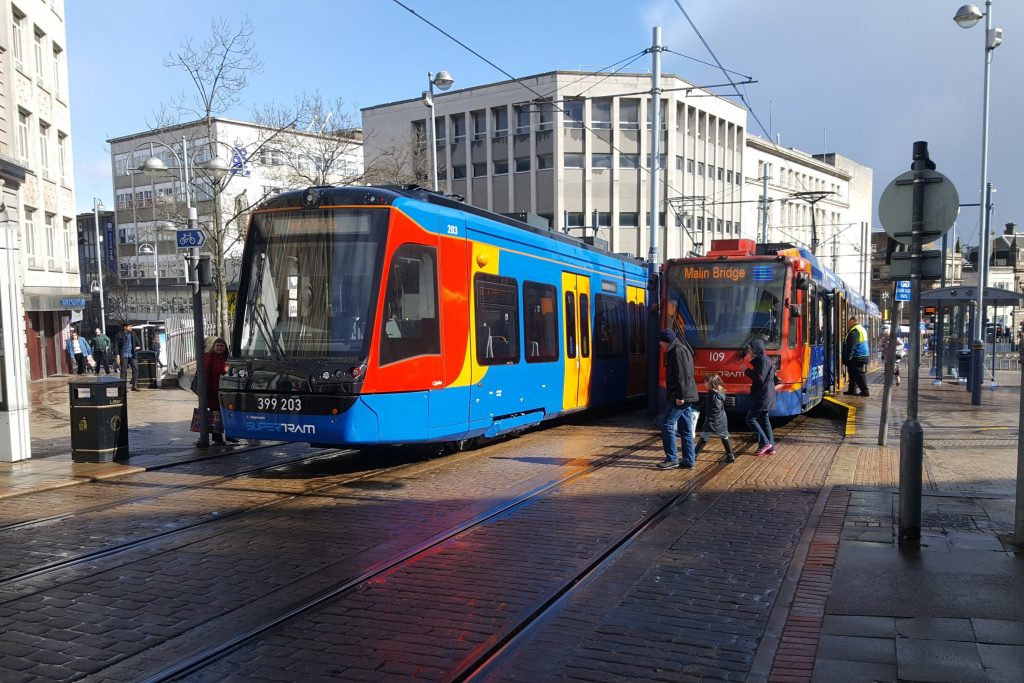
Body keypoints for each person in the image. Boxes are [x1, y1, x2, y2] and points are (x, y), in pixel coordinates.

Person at [656, 327, 699, 470]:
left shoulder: (678, 352)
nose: (661, 346)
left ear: (667, 341)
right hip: (685, 395)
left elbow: (682, 376)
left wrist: (680, 396)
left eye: (662, 343)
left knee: (667, 424)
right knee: (685, 429)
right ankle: (689, 460)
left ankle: (672, 458)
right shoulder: (679, 349)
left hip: (681, 396)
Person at [744, 338, 779, 456]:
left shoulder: (762, 361)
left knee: (750, 419)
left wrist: (746, 371)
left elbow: (759, 379)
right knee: (765, 421)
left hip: (762, 396)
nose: (749, 352)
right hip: (766, 395)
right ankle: (771, 448)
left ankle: (765, 443)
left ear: (755, 349)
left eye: (750, 349)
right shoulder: (764, 359)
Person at [202, 336, 237, 445]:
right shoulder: (209, 357)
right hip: (213, 391)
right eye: (218, 346)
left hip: (227, 390)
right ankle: (217, 438)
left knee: (228, 414)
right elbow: (205, 373)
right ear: (214, 347)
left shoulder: (229, 358)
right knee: (216, 415)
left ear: (225, 347)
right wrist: (206, 389)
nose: (220, 348)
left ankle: (230, 436)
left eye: (222, 346)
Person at [695, 373, 735, 463]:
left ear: (711, 383)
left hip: (713, 419)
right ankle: (730, 455)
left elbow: (715, 408)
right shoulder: (719, 392)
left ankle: (694, 455)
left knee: (704, 436)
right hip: (721, 419)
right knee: (723, 436)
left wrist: (710, 418)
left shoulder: (713, 395)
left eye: (705, 382)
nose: (704, 384)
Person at [842, 316, 871, 397]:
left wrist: (848, 357)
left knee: (859, 373)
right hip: (861, 355)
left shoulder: (855, 330)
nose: (847, 323)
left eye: (848, 321)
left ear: (853, 320)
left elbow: (852, 345)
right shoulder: (860, 328)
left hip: (858, 355)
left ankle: (865, 391)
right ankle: (852, 390)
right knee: (852, 373)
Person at [114, 323, 142, 391]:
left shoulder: (133, 334)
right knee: (124, 371)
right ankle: (123, 387)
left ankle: (134, 385)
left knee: (136, 369)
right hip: (124, 354)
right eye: (130, 326)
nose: (131, 328)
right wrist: (117, 355)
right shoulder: (119, 334)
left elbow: (139, 343)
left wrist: (137, 347)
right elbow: (116, 346)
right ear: (125, 327)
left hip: (132, 354)